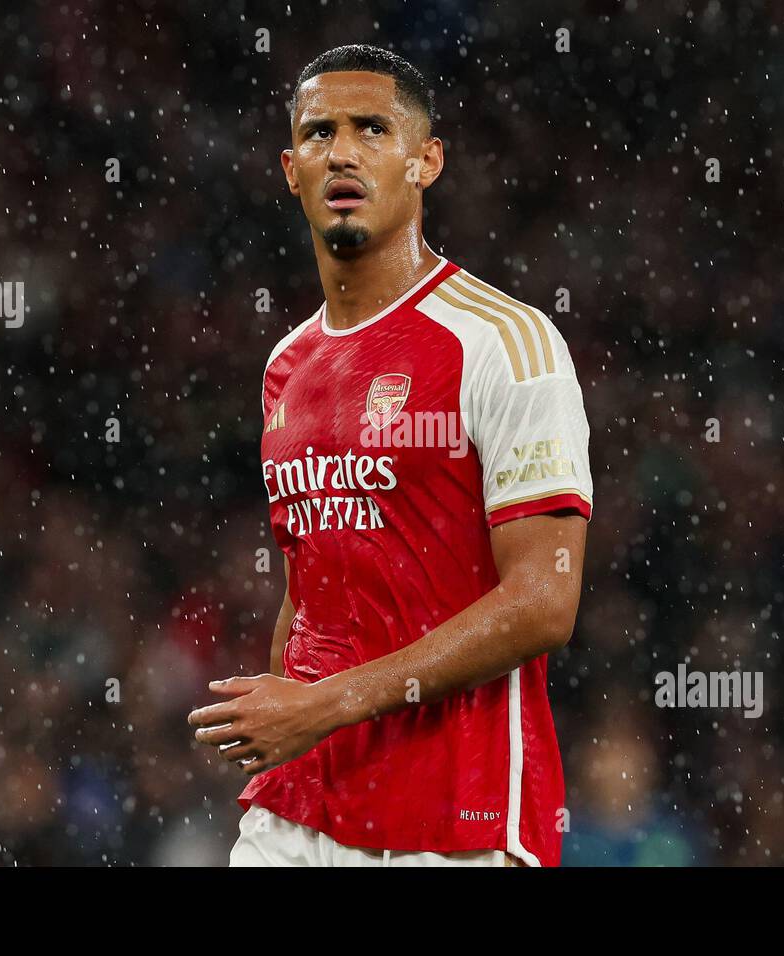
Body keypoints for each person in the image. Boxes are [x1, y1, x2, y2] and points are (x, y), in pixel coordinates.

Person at [188, 44, 593, 867]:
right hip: (297, 814)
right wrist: (285, 719)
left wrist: (324, 706)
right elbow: (310, 592)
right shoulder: (285, 368)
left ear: (426, 161)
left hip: (456, 823)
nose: (342, 150)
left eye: (372, 128)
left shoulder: (506, 342)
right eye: (318, 133)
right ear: (290, 169)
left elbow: (545, 602)